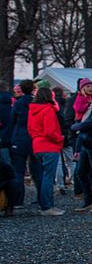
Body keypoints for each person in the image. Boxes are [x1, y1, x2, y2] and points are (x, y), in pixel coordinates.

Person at [28, 87, 65, 216]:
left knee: (42, 176)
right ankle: (47, 206)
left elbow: (29, 128)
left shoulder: (32, 110)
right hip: (49, 145)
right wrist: (60, 138)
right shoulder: (48, 109)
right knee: (49, 177)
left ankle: (44, 205)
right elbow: (50, 131)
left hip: (37, 144)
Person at [9, 79, 35, 208]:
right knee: (38, 171)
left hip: (19, 139)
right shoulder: (37, 103)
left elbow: (11, 121)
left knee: (18, 171)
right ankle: (43, 201)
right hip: (34, 139)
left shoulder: (18, 104)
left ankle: (18, 200)